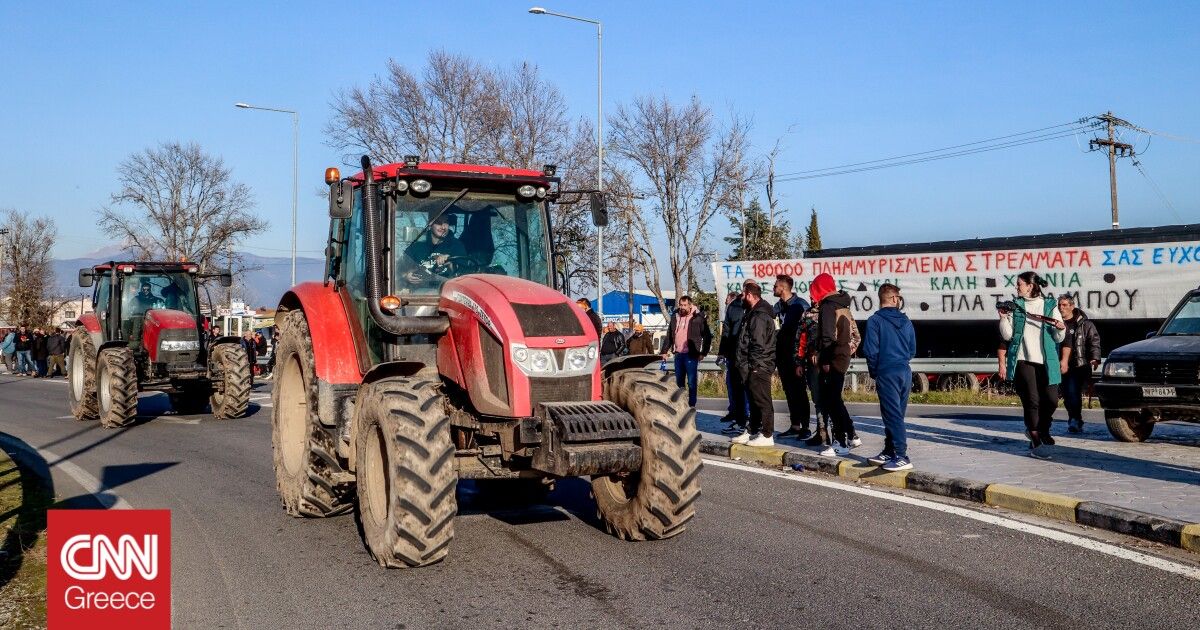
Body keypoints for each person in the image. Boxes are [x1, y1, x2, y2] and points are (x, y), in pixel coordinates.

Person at [999, 271, 1066, 459]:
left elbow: (1058, 336)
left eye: (1019, 284)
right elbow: (1007, 335)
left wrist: (1061, 329)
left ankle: (1041, 429)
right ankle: (1036, 439)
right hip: (1022, 359)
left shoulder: (1050, 306)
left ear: (1030, 286)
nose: (1016, 287)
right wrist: (1003, 318)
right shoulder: (1015, 306)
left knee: (1051, 400)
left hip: (1046, 360)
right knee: (1032, 400)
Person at [864, 283, 917, 471]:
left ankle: (902, 455)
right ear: (894, 299)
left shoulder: (874, 321)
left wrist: (874, 372)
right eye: (899, 298)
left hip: (887, 371)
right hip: (904, 370)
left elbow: (871, 350)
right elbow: (912, 350)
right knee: (897, 414)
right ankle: (889, 450)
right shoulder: (906, 321)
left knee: (891, 415)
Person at [810, 273, 858, 456]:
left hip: (832, 358)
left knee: (831, 401)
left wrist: (825, 361)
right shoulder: (843, 305)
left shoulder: (828, 307)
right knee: (835, 399)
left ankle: (840, 442)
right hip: (842, 356)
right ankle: (852, 435)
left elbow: (828, 337)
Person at [731, 282, 777, 447]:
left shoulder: (759, 315)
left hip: (759, 366)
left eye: (743, 295)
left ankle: (767, 434)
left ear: (749, 295)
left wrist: (755, 366)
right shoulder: (752, 313)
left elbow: (758, 344)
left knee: (762, 400)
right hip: (751, 366)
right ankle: (751, 431)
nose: (741, 298)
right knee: (754, 399)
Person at [772, 275, 813, 440]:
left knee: (799, 391)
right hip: (782, 355)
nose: (773, 288)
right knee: (789, 391)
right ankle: (794, 425)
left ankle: (806, 427)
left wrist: (802, 358)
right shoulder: (778, 306)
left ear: (783, 287)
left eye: (775, 286)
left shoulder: (800, 305)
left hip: (796, 356)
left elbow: (808, 331)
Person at [1058, 295, 1101, 434]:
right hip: (1058, 365)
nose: (1061, 308)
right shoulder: (1056, 322)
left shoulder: (1084, 324)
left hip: (1078, 365)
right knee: (1065, 394)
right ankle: (1074, 417)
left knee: (1073, 392)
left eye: (1064, 305)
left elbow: (1094, 341)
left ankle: (1075, 419)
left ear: (1072, 306)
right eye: (1060, 305)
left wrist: (1095, 358)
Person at [660, 295, 712, 408]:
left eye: (684, 305)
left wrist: (703, 352)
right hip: (678, 354)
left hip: (691, 354)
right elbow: (669, 335)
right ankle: (681, 405)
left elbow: (707, 336)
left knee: (692, 382)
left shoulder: (698, 318)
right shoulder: (675, 316)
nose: (682, 307)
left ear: (690, 305)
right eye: (681, 305)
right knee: (679, 382)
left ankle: (692, 405)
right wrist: (664, 351)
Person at [717, 287, 751, 435]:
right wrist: (722, 352)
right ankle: (738, 419)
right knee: (734, 388)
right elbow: (726, 332)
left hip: (747, 356)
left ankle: (749, 419)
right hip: (732, 355)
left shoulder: (754, 308)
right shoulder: (733, 308)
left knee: (746, 389)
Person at [403, 213, 467, 286]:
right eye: (439, 223)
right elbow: (400, 268)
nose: (443, 227)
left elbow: (464, 275)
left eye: (446, 222)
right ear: (430, 224)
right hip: (420, 292)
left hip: (448, 289)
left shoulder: (457, 245)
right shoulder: (417, 246)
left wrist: (451, 263)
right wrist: (406, 276)